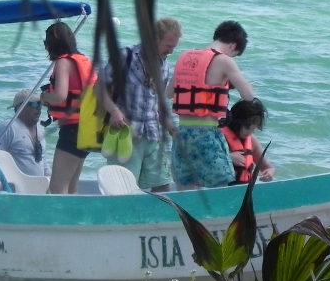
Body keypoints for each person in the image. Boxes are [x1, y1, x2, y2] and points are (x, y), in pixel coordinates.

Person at [95, 17, 182, 192]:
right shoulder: (124, 56)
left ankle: (157, 219)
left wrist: (172, 129)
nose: (171, 51)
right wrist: (114, 110)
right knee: (123, 189)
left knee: (162, 185)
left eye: (173, 47)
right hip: (126, 135)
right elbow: (98, 88)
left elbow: (158, 102)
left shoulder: (164, 64)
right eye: (168, 46)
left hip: (153, 134)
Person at [168, 20, 257, 190]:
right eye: (235, 55)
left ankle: (183, 216)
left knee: (185, 188)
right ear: (232, 46)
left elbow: (168, 93)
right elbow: (248, 96)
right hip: (206, 134)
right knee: (221, 187)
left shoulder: (186, 57)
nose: (232, 58)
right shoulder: (224, 61)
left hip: (182, 134)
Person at [39, 22, 94, 194]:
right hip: (88, 127)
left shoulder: (63, 62)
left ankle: (58, 221)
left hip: (73, 130)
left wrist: (43, 97)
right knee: (71, 185)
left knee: (58, 186)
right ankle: (75, 220)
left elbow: (60, 96)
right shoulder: (83, 60)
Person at [0, 90, 50, 178]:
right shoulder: (7, 128)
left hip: (39, 186)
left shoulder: (40, 128)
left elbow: (44, 162)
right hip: (16, 187)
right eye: (35, 105)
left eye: (41, 104)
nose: (39, 108)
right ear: (20, 107)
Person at [221, 99, 275, 184]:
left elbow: (267, 167)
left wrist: (269, 172)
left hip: (244, 188)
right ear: (236, 123)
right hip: (222, 188)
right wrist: (228, 157)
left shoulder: (252, 140)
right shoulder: (219, 136)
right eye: (248, 128)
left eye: (253, 129)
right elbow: (203, 160)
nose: (250, 132)